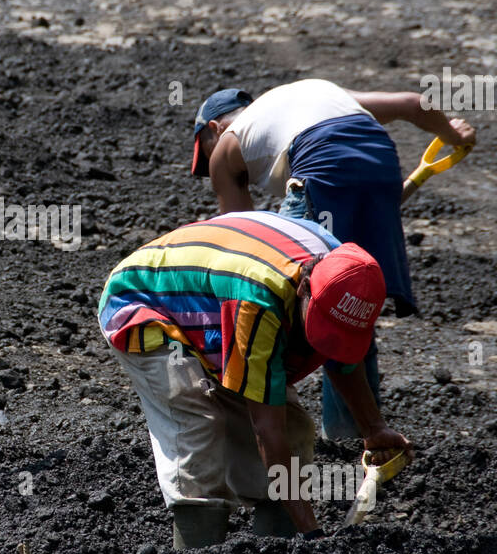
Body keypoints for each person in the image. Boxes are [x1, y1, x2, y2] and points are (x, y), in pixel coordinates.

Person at [98, 210, 413, 546]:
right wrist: (312, 535)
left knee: (294, 429)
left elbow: (340, 359)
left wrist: (373, 428)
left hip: (215, 304)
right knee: (198, 422)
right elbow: (266, 430)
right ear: (306, 288)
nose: (329, 343)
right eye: (323, 328)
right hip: (142, 304)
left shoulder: (349, 273)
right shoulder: (258, 303)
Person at [189, 79, 475, 438]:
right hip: (379, 159)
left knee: (291, 297)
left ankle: (268, 417)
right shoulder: (318, 93)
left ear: (214, 128)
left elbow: (244, 244)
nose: (209, 168)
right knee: (349, 296)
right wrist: (453, 135)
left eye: (205, 151)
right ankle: (353, 432)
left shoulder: (225, 151)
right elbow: (414, 103)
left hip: (317, 163)